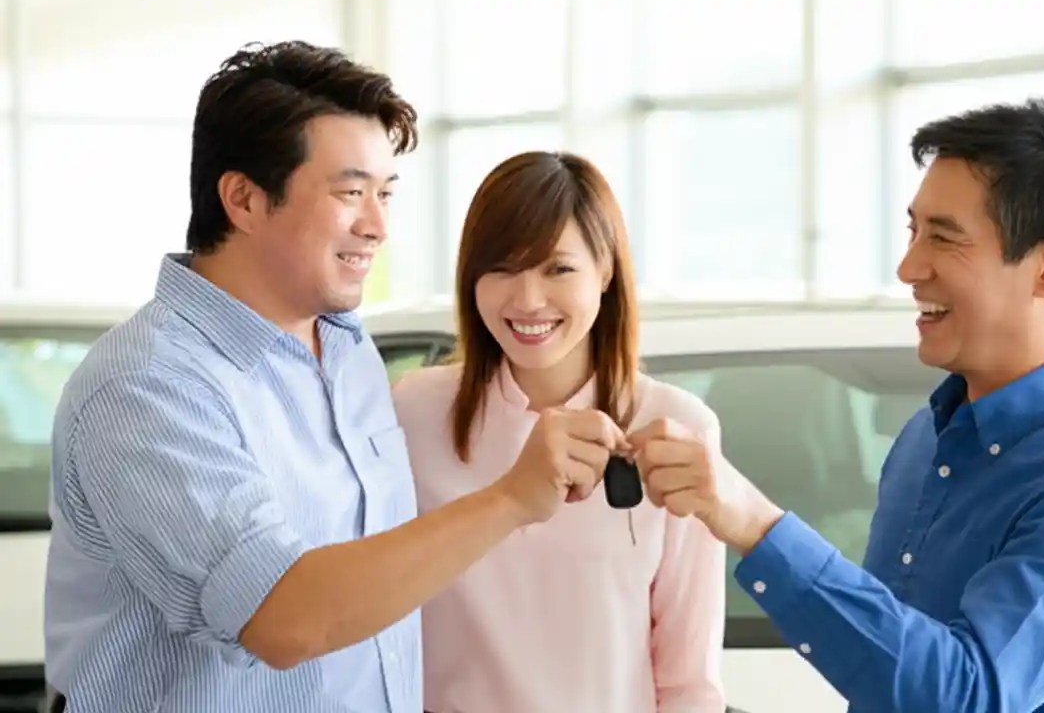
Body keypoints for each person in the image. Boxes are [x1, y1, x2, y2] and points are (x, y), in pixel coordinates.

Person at [43, 42, 622, 713]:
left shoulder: (346, 350)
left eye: (384, 194)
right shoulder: (146, 388)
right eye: (350, 193)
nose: (376, 226)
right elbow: (286, 618)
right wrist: (510, 499)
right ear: (244, 199)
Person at [632, 98, 1044, 712]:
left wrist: (753, 521)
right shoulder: (927, 437)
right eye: (913, 230)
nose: (907, 267)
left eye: (944, 237)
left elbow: (960, 697)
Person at [392, 151, 727, 713]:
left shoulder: (677, 428)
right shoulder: (415, 411)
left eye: (557, 269)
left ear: (606, 270)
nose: (527, 300)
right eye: (501, 269)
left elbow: (689, 681)